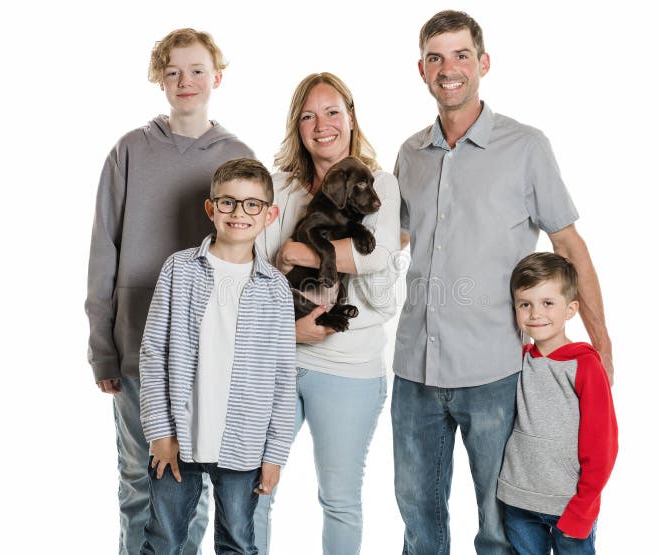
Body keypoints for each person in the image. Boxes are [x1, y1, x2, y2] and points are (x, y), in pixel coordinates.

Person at [392, 10, 614, 555]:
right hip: (413, 370)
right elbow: (388, 245)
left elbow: (568, 246)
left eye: (461, 55)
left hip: (495, 370)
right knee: (420, 528)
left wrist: (601, 341)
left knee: (499, 532)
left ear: (483, 63)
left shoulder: (527, 146)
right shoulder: (409, 155)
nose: (449, 69)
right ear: (420, 70)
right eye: (436, 58)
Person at [84, 28, 254, 554]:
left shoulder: (236, 156)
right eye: (174, 71)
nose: (186, 81)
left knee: (195, 487)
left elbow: (250, 262)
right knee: (140, 481)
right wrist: (102, 349)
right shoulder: (129, 152)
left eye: (197, 70)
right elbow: (103, 253)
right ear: (159, 79)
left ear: (217, 78)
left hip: (211, 354)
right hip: (137, 348)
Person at [253, 72, 400, 555]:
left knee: (338, 499)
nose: (323, 125)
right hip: (279, 359)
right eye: (309, 116)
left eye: (333, 111)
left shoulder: (379, 184)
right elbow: (259, 277)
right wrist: (290, 329)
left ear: (351, 118)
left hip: (348, 369)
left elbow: (376, 265)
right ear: (297, 127)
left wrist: (302, 253)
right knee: (252, 488)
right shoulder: (280, 189)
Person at [139, 158, 296, 555]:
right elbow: (154, 353)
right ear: (211, 209)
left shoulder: (275, 289)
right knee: (164, 540)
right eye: (227, 203)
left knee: (239, 543)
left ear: (269, 214)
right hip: (177, 438)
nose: (239, 213)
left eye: (251, 205)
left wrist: (274, 454)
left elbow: (282, 376)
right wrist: (160, 432)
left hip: (245, 447)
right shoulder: (178, 270)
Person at [497, 253, 618, 554]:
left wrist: (583, 507)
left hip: (570, 506)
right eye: (525, 304)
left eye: (548, 303)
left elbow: (602, 445)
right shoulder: (518, 359)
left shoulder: (585, 366)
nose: (536, 313)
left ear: (571, 309)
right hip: (519, 503)